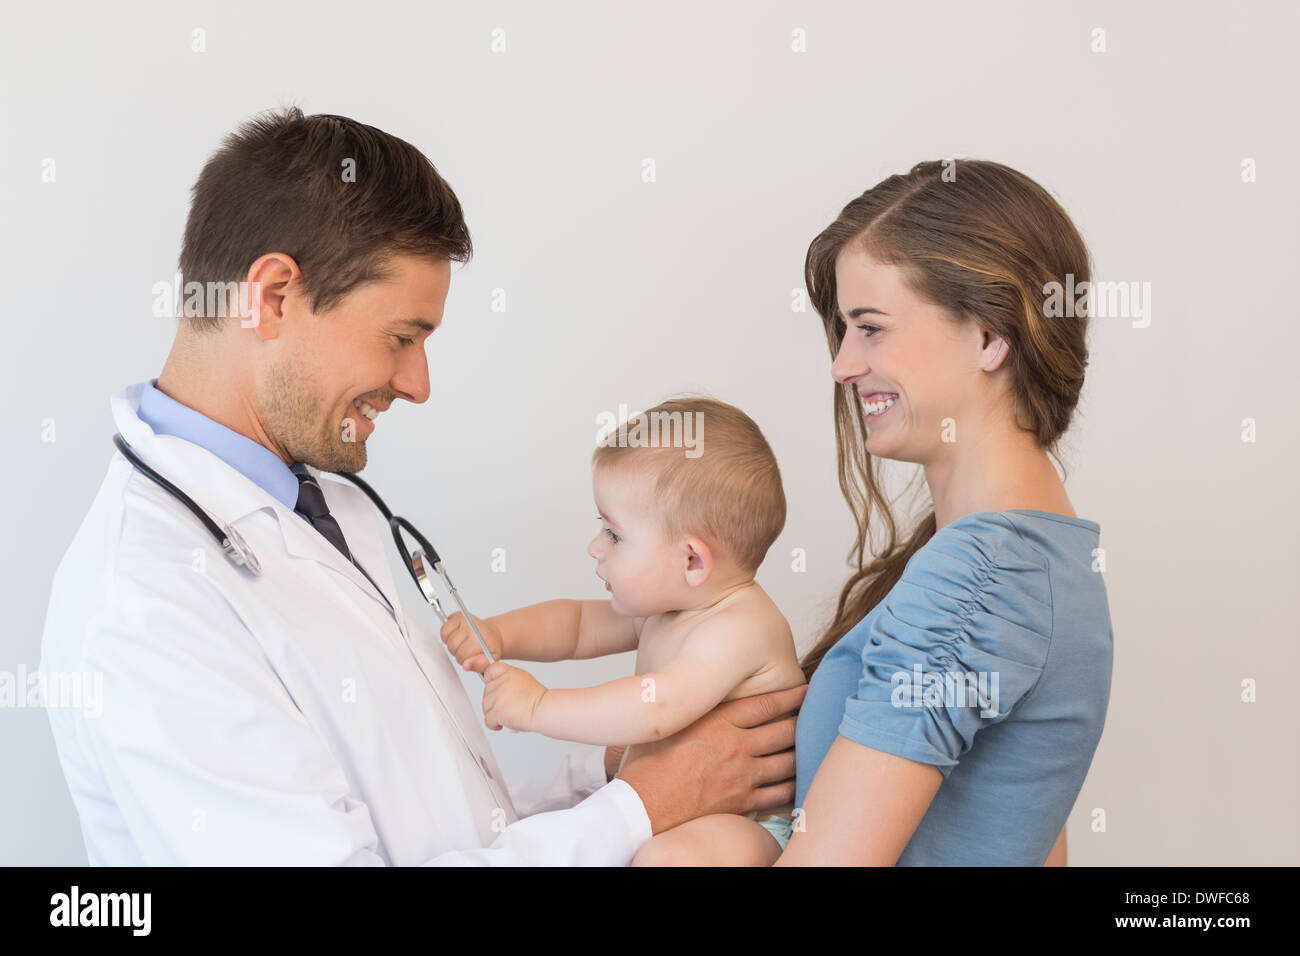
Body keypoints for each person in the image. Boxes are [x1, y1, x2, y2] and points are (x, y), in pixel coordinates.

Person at [39, 107, 803, 865]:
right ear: (273, 296)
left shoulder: (328, 503)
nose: (418, 384)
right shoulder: (145, 604)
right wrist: (642, 808)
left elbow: (448, 832)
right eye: (402, 338)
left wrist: (612, 782)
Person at [773, 160, 1113, 866]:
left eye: (870, 328)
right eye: (843, 329)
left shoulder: (978, 579)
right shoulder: (1045, 557)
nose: (841, 365)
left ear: (990, 336)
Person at [441, 398, 804, 865]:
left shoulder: (739, 627)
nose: (596, 546)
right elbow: (575, 626)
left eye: (613, 534)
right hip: (682, 802)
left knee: (665, 859)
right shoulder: (671, 605)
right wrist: (496, 633)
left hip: (748, 822)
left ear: (691, 560)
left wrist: (538, 706)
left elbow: (653, 709)